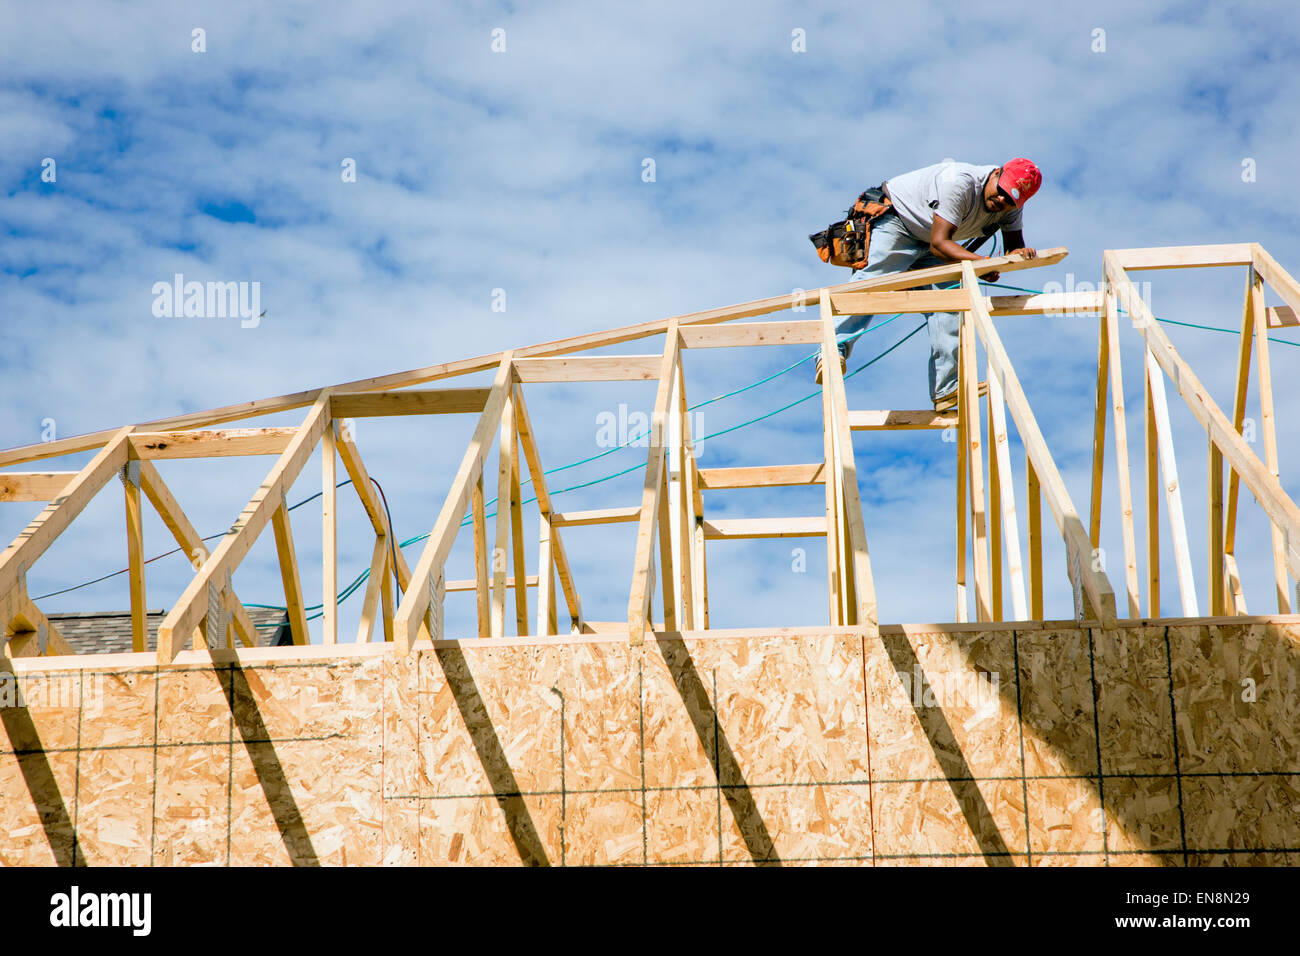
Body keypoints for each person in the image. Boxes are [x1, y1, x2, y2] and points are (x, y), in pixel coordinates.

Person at [817, 159, 1042, 412]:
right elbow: (939, 243)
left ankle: (946, 390)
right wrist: (980, 263)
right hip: (900, 222)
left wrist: (1017, 255)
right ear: (996, 174)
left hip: (934, 241)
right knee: (873, 284)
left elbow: (1013, 247)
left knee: (950, 304)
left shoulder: (1011, 205)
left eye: (1010, 200)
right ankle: (832, 351)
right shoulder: (961, 182)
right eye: (1001, 192)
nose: (1002, 201)